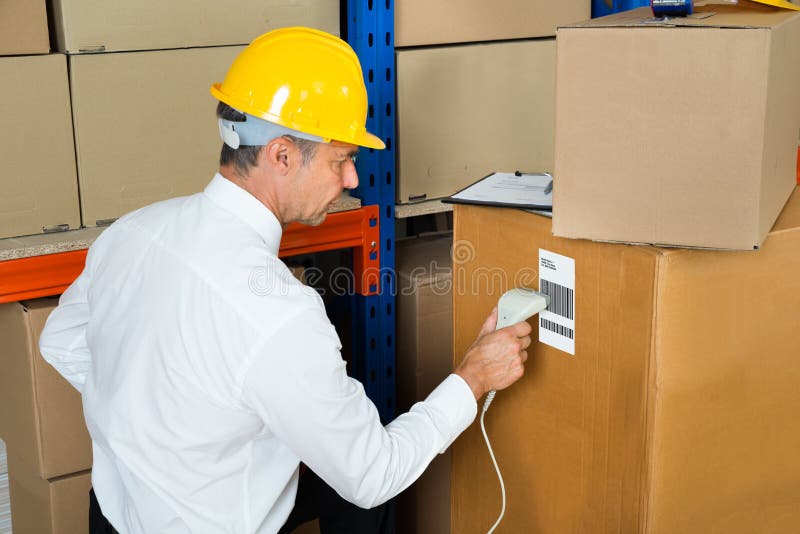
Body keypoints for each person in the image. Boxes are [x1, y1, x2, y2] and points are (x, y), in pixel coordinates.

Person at [39, 27, 532, 534]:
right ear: (281, 156)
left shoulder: (135, 231)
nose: (352, 180)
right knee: (368, 476)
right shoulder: (279, 313)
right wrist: (473, 377)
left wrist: (157, 423)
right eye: (341, 159)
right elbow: (373, 475)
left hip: (115, 514)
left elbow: (59, 341)